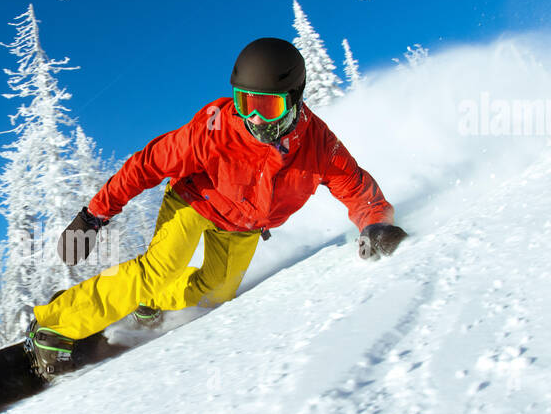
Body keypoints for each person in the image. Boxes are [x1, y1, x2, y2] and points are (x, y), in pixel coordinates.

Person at [25, 37, 408, 378]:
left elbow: (356, 186)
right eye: (245, 103)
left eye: (268, 107)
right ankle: (55, 325)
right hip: (195, 202)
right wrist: (94, 216)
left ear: (295, 99)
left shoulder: (319, 145)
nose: (255, 119)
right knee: (159, 269)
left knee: (216, 293)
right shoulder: (214, 130)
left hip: (243, 226)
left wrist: (375, 224)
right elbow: (147, 165)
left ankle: (150, 302)